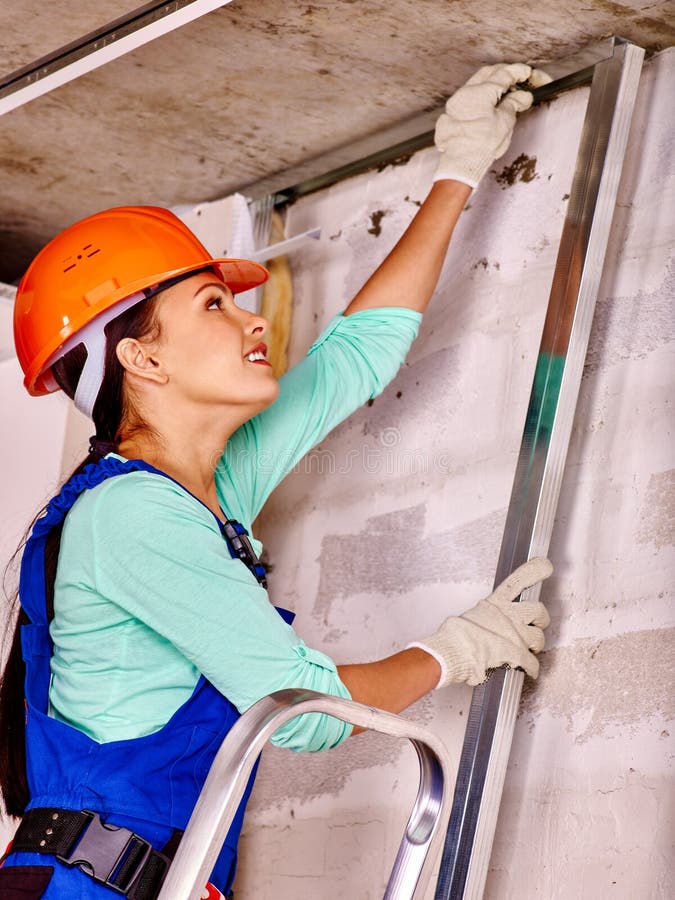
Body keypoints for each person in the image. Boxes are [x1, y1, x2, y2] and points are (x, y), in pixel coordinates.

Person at [0, 63, 552, 899]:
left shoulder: (202, 488)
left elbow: (355, 355)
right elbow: (303, 709)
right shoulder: (132, 516)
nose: (252, 320)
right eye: (212, 305)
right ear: (142, 359)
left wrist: (459, 167)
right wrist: (454, 652)